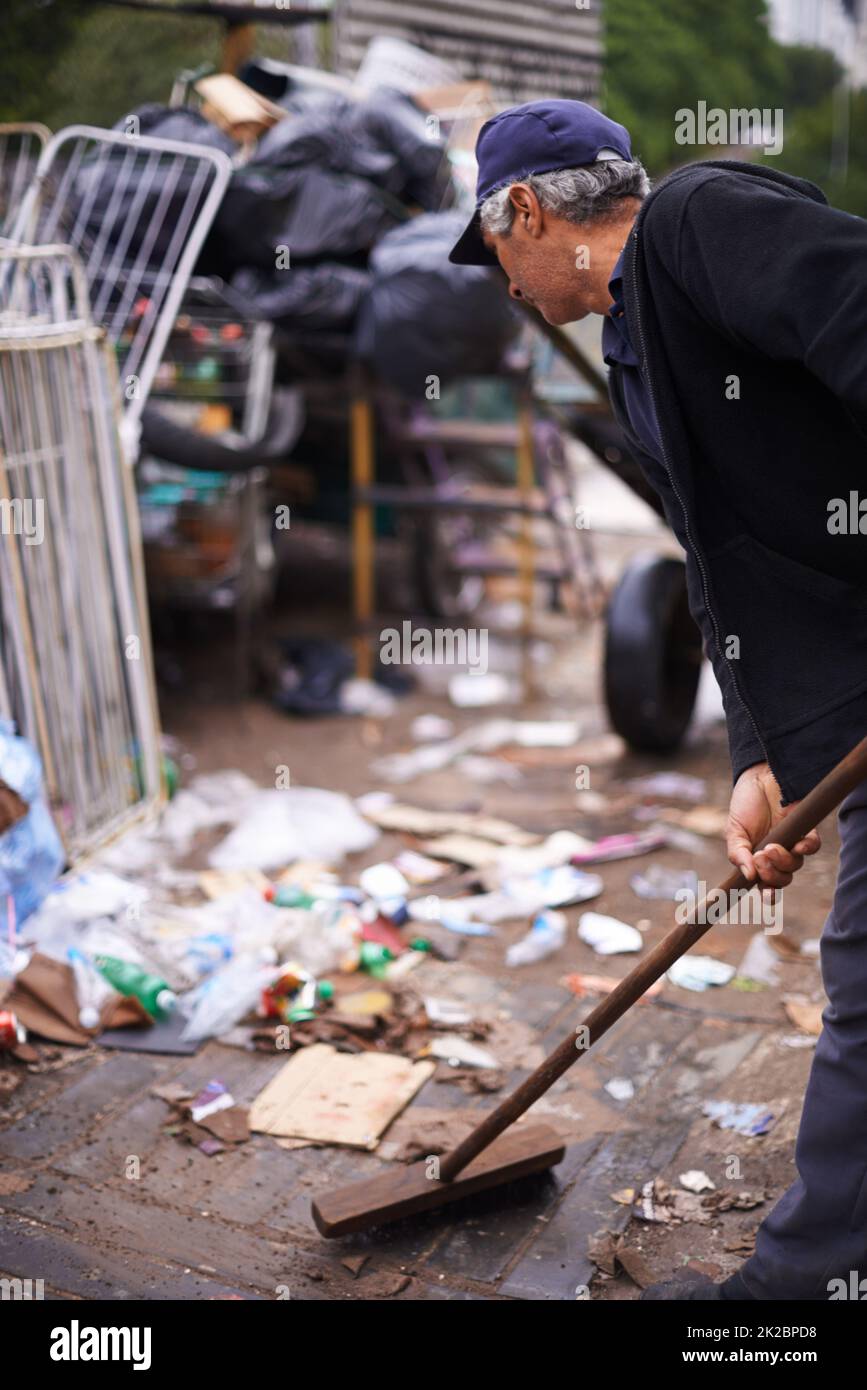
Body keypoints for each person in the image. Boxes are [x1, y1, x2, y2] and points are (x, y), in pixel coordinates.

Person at [449, 98, 867, 1301]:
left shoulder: (699, 221)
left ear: (528, 209)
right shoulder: (638, 352)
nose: (504, 286)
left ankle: (794, 1298)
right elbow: (723, 564)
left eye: (495, 255)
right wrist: (760, 753)